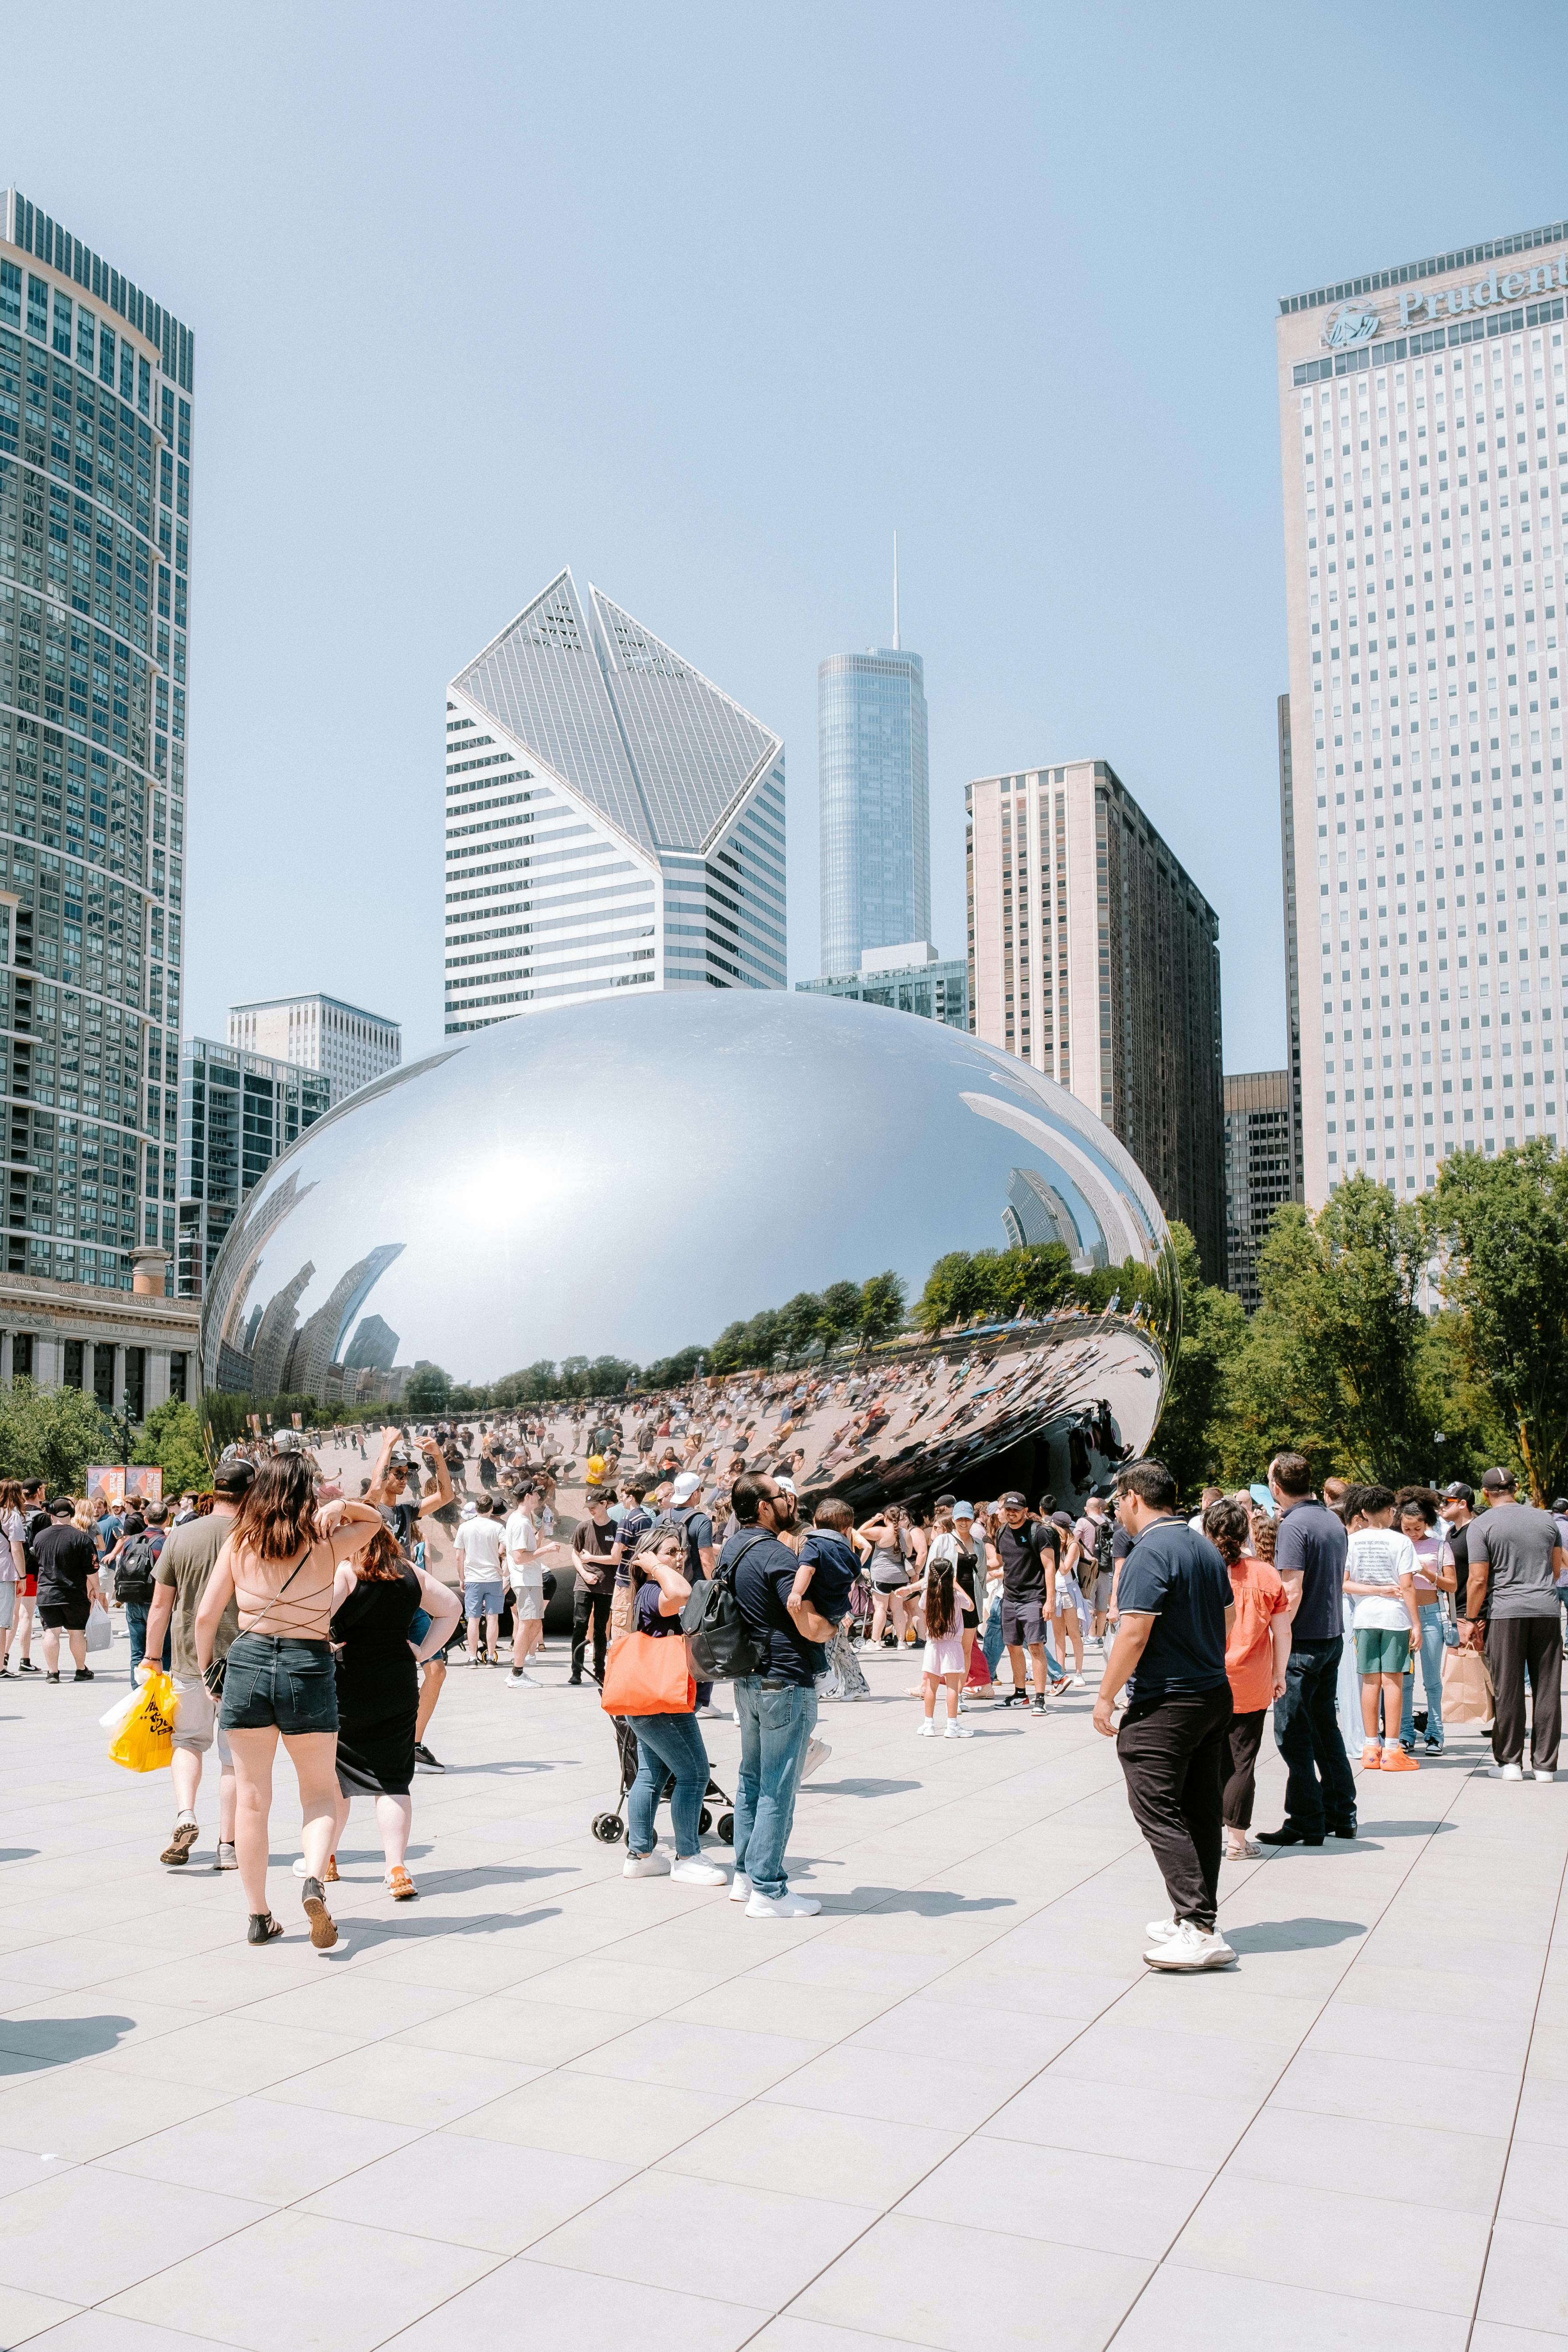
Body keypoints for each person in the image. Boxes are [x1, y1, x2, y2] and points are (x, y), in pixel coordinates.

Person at [195, 1454, 383, 1950]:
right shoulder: (327, 1543)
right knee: (320, 1792)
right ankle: (314, 1882)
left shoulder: (239, 1542)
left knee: (252, 1800)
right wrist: (341, 1503)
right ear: (308, 1492)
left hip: (249, 1664)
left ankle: (258, 1916)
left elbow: (206, 1616)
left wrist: (207, 1674)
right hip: (307, 1665)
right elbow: (377, 1520)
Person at [1093, 1461, 1236, 1972]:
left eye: (1117, 1502)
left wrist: (1106, 1697)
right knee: (1199, 1808)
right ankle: (1197, 1916)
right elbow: (1229, 1615)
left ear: (1133, 1497)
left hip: (1168, 1701)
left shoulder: (1149, 1550)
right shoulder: (1200, 1543)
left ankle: (1197, 1926)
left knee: (1157, 1807)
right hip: (1211, 1692)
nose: (1117, 1511)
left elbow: (1134, 1632)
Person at [321, 1521, 459, 1897]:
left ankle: (328, 1856)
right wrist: (423, 1650)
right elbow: (452, 1608)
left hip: (348, 1685)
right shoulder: (411, 1573)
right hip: (398, 1682)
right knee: (393, 1780)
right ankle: (396, 1868)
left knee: (337, 1779)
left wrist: (327, 1645)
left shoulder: (347, 1573)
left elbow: (316, 1619)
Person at [726, 1472, 834, 1918]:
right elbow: (809, 1624)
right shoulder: (777, 1556)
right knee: (778, 1784)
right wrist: (834, 1622)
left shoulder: (735, 1547)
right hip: (785, 1679)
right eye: (781, 1495)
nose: (790, 1500)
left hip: (748, 1678)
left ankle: (745, 1876)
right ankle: (768, 1890)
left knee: (751, 1778)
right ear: (765, 1507)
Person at [142, 1460, 256, 1869]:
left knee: (187, 1741)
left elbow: (160, 1605)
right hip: (243, 1662)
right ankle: (228, 1846)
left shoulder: (182, 1535)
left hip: (189, 1659)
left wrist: (153, 1657)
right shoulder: (255, 1536)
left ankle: (186, 1813)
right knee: (234, 1757)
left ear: (216, 1488)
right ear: (251, 1490)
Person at [1258, 1451, 1358, 1847]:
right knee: (1323, 1728)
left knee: (1292, 1733)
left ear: (1276, 1487)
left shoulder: (1294, 1526)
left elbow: (1292, 1588)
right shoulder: (1331, 1521)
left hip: (1303, 1643)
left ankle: (1306, 1818)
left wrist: (1273, 1636)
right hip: (1330, 1637)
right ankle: (1341, 1811)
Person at [619, 1526, 728, 1886]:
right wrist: (653, 1566)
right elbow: (682, 1591)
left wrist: (660, 1565)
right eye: (669, 1552)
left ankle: (640, 1855)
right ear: (650, 1557)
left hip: (652, 1699)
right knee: (695, 1773)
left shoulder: (652, 1590)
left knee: (652, 1775)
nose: (678, 1557)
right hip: (661, 1701)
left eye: (680, 1551)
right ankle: (687, 1856)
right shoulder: (655, 1591)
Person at [1466, 1466, 1566, 1782]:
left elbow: (1478, 1579)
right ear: (1518, 1487)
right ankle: (1545, 1766)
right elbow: (1556, 1568)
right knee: (1547, 1688)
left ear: (1485, 1493)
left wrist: (1471, 1619)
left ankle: (1510, 1762)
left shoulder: (1482, 1525)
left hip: (1506, 1611)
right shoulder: (1546, 1520)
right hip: (1546, 1609)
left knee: (1508, 1687)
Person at [1204, 1497, 1290, 1860]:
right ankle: (1238, 1842)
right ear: (1246, 1533)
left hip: (1205, 1678)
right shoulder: (1267, 1574)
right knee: (1242, 1761)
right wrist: (1278, 1673)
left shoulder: (1200, 1569)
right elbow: (1283, 1632)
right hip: (1251, 1681)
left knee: (1206, 1759)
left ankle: (1204, 1834)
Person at [1341, 1483, 1423, 1776]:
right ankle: (1392, 1748)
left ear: (1363, 1512)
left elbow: (1345, 1583)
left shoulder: (1352, 1541)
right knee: (1393, 1682)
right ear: (1391, 1511)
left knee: (1369, 1682)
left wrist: (1374, 1590)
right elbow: (1408, 1585)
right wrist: (1416, 1623)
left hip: (1364, 1617)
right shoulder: (1400, 1542)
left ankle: (1370, 1747)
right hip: (1394, 1617)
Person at [791, 1496, 867, 1701]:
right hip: (838, 1608)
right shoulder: (848, 1552)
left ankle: (822, 1676)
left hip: (820, 1607)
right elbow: (855, 1572)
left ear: (815, 1523)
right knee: (840, 1647)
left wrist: (797, 1593)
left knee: (815, 1641)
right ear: (847, 1528)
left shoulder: (814, 1546)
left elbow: (806, 1570)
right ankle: (857, 1687)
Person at [898, 1538, 976, 1737]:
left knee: (931, 1686)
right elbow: (971, 1605)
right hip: (953, 1645)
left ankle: (929, 1724)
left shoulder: (927, 1597)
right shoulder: (956, 1596)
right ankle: (952, 1726)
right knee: (952, 1686)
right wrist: (957, 1585)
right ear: (952, 1577)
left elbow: (923, 1607)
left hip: (933, 1644)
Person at [995, 1490, 1061, 1714]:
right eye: (1008, 1510)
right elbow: (1004, 1563)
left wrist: (1049, 1600)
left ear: (1025, 1511)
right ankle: (1020, 1694)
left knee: (1035, 1647)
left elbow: (1050, 1566)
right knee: (1013, 1648)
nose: (1011, 1514)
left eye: (1016, 1510)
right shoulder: (1001, 1532)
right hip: (1010, 1598)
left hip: (1033, 1598)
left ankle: (1040, 1699)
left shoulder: (1038, 1532)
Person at [1396, 1490, 1452, 1755]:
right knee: (1405, 1679)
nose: (1412, 1533)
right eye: (1407, 1528)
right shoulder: (1397, 1544)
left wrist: (1427, 1572)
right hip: (1402, 1616)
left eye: (1417, 1528)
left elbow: (1451, 1585)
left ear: (1427, 1522)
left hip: (1431, 1616)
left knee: (1432, 1680)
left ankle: (1435, 1732)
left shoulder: (1440, 1546)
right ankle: (1406, 1732)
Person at [36, 1496, 100, 1684]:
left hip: (47, 1594)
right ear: (72, 1514)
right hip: (75, 1594)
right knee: (77, 1632)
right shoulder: (81, 1538)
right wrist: (96, 1590)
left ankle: (53, 1673)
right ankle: (81, 1670)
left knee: (51, 1632)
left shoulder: (40, 1537)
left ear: (51, 1514)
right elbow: (92, 1568)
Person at [504, 1481, 560, 1686]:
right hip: (526, 1580)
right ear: (527, 1497)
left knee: (534, 1624)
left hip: (530, 1580)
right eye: (536, 1494)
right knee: (528, 1625)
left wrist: (544, 1532)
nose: (538, 1496)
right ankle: (517, 1673)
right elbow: (519, 1557)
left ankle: (521, 1663)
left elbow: (530, 1548)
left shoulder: (523, 1520)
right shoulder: (519, 1522)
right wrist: (547, 1550)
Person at [570, 1490, 616, 1687]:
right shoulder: (583, 1527)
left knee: (600, 1629)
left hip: (606, 1585)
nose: (591, 1511)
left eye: (594, 1507)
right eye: (588, 1508)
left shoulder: (616, 1528)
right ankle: (576, 1670)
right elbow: (575, 1554)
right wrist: (584, 1573)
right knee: (580, 1625)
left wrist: (592, 1560)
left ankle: (600, 1670)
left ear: (605, 1504)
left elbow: (618, 1558)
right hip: (584, 1584)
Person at [454, 1495, 507, 1667]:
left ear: (476, 1509)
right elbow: (508, 1546)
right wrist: (499, 1557)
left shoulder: (464, 1528)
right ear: (491, 1509)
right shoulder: (497, 1527)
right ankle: (491, 1657)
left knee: (473, 1619)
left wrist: (462, 1578)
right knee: (493, 1618)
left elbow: (459, 1557)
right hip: (493, 1578)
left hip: (473, 1578)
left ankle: (472, 1658)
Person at [0, 1478, 20, 1677]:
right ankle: (0, 1666)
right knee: (2, 1622)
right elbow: (16, 1548)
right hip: (4, 1572)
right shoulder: (11, 1516)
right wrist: (22, 1576)